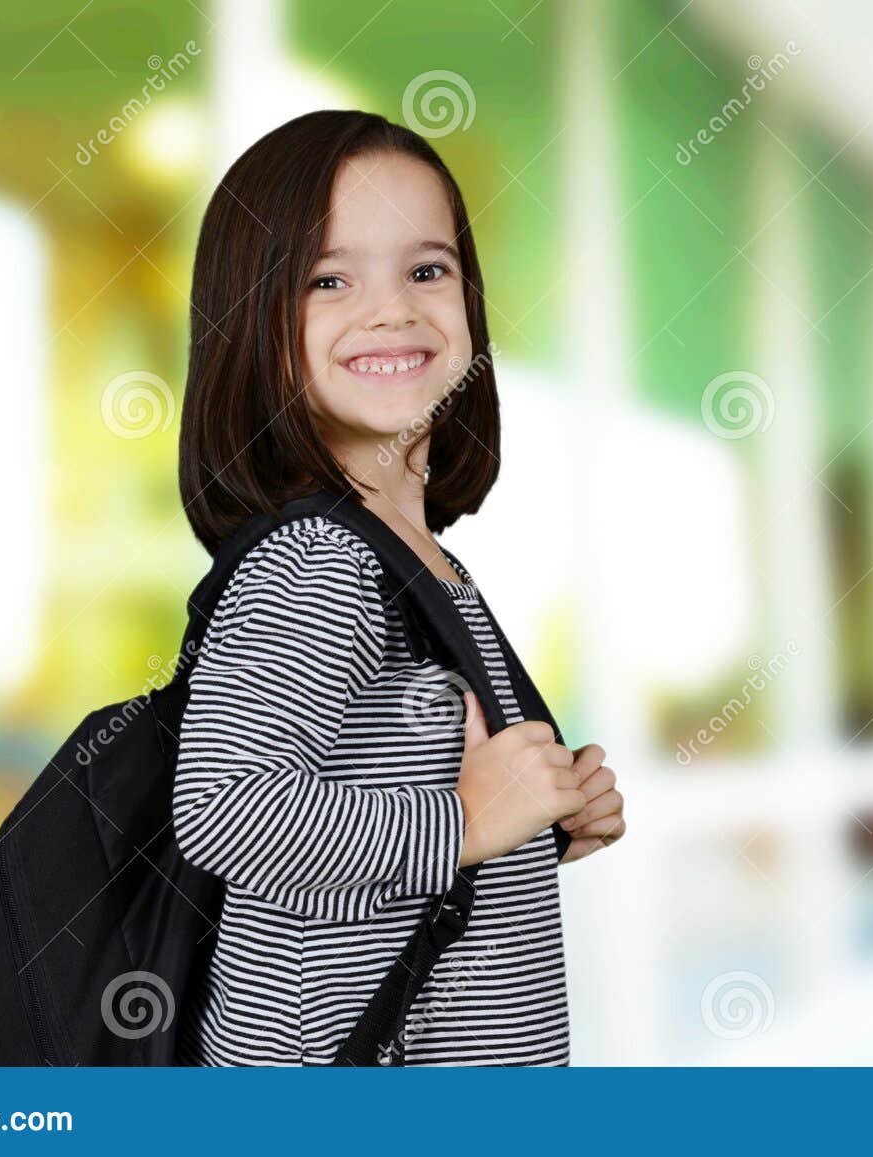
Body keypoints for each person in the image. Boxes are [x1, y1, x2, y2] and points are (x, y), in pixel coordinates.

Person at [169, 110, 627, 1066]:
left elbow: (397, 810)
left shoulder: (418, 559)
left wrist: (536, 824)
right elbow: (222, 807)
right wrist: (471, 816)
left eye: (427, 270)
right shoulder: (316, 560)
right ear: (254, 319)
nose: (393, 310)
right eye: (328, 280)